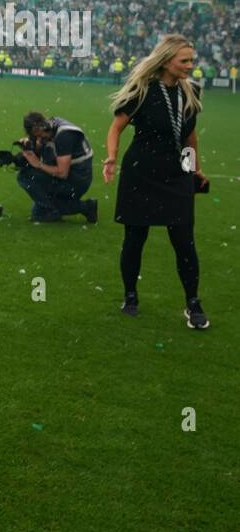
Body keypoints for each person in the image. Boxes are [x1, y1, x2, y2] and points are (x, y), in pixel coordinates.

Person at [104, 34, 209, 329]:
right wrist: (111, 157)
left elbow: (189, 136)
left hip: (176, 174)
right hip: (141, 171)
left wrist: (194, 170)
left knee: (184, 241)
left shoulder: (191, 93)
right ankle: (130, 296)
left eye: (191, 60)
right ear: (166, 61)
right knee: (135, 239)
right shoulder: (141, 90)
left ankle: (193, 303)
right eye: (184, 60)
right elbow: (116, 128)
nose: (190, 66)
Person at [15, 111, 97, 223]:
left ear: (42, 127)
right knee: (37, 211)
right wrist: (29, 149)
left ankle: (72, 208)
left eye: (38, 134)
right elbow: (42, 152)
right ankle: (86, 207)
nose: (39, 138)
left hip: (76, 182)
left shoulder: (64, 135)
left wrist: (38, 164)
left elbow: (62, 173)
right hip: (73, 177)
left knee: (25, 177)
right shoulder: (51, 128)